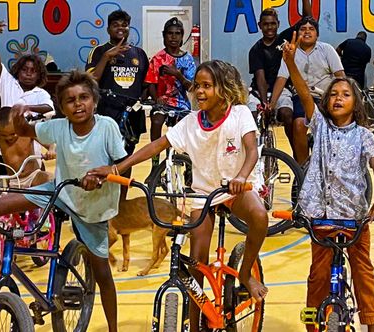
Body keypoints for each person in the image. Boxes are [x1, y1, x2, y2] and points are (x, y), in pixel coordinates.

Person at [88, 60, 269, 331]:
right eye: (197, 86)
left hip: (236, 187)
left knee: (259, 216)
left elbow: (252, 150)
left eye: (207, 86)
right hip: (203, 192)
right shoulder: (190, 123)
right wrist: (116, 168)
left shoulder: (240, 113)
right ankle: (194, 324)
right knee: (197, 261)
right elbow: (155, 146)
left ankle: (244, 274)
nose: (199, 91)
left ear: (224, 89)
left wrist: (241, 176)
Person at [0, 70, 127, 332]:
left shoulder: (107, 126)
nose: (78, 104)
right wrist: (22, 111)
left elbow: (122, 164)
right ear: (62, 108)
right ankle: (15, 252)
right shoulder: (58, 127)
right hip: (61, 191)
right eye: (70, 100)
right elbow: (25, 130)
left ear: (94, 101)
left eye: (84, 97)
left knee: (102, 274)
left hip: (93, 206)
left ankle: (113, 328)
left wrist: (108, 178)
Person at [283, 32, 374, 332]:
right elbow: (305, 94)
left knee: (362, 271)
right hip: (321, 216)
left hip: (354, 218)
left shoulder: (363, 135)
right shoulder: (319, 125)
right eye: (333, 94)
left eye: (345, 94)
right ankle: (311, 323)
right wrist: (291, 62)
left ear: (355, 102)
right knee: (317, 277)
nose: (338, 98)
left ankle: (370, 324)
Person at [85, 9, 149, 199]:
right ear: (108, 29)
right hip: (106, 113)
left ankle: (121, 202)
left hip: (131, 116)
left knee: (126, 160)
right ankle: (98, 200)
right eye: (116, 25)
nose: (120, 28)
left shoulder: (139, 54)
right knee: (100, 157)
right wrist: (106, 57)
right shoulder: (98, 51)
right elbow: (91, 81)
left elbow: (145, 84)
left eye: (124, 24)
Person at [271, 16, 345, 165]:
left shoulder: (327, 49)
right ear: (297, 33)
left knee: (332, 127)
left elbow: (340, 76)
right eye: (303, 29)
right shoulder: (290, 52)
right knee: (298, 124)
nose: (307, 32)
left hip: (325, 97)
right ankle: (302, 168)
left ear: (317, 34)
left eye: (311, 29)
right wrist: (271, 103)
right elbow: (281, 78)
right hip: (301, 97)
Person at [249, 0, 312, 157]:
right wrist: (265, 105)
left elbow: (307, 18)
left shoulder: (284, 39)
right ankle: (252, 157)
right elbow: (260, 79)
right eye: (265, 24)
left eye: (272, 24)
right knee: (250, 120)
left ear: (278, 24)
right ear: (259, 25)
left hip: (282, 90)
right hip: (259, 92)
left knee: (287, 115)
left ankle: (298, 157)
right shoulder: (255, 49)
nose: (269, 27)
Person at [144, 17, 195, 171]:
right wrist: (156, 98)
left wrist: (177, 74)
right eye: (170, 33)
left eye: (177, 33)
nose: (174, 37)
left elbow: (191, 87)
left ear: (182, 36)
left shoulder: (187, 59)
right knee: (157, 122)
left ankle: (188, 168)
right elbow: (151, 83)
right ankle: (155, 165)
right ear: (164, 35)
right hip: (162, 103)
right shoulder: (158, 58)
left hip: (181, 104)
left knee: (188, 130)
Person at [0, 21, 54, 112]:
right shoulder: (8, 83)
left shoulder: (41, 93)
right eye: (24, 70)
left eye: (33, 71)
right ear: (18, 71)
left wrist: (27, 107)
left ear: (39, 75)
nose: (28, 74)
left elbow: (49, 108)